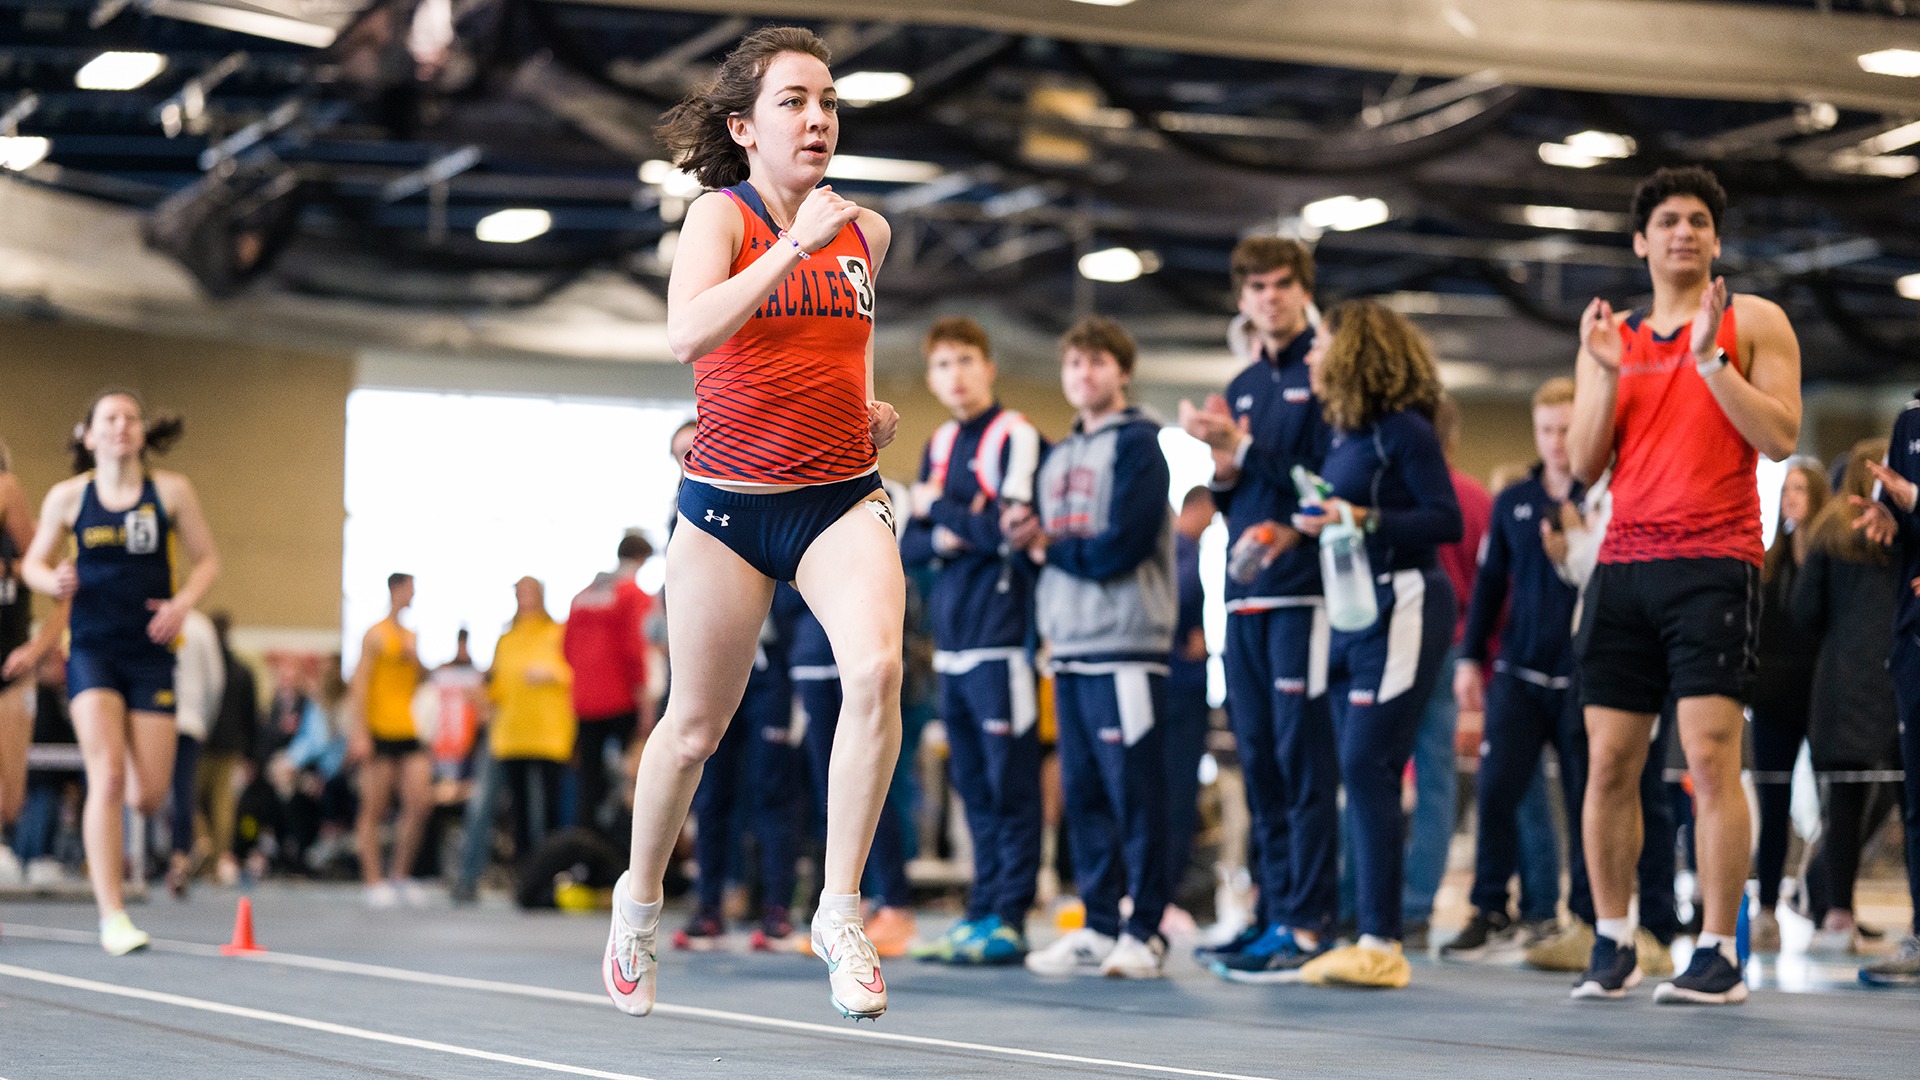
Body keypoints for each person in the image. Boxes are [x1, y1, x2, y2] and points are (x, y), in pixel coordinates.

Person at [604, 25, 903, 1022]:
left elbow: (836, 348)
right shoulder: (719, 219)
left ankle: (840, 911)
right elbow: (689, 333)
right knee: (693, 731)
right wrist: (791, 247)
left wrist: (868, 408)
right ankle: (638, 908)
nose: (817, 118)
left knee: (877, 672)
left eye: (828, 100)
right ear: (745, 125)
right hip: (730, 511)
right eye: (793, 102)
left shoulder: (871, 231)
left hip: (836, 496)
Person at [1567, 166, 1801, 1004]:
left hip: (1715, 563)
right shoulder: (1613, 334)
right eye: (1667, 220)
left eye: (1699, 220)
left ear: (1715, 238)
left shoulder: (1755, 321)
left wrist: (1710, 363)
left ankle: (1718, 952)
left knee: (1708, 759)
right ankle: (1613, 939)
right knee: (1607, 766)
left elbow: (1780, 438)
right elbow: (1586, 464)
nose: (1684, 232)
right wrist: (1599, 371)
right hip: (1625, 567)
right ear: (1641, 241)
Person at [1178, 236, 1340, 982]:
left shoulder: (1331, 376)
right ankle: (1273, 914)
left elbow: (1325, 486)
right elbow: (1239, 495)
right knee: (1261, 769)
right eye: (1257, 287)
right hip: (1240, 600)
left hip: (1305, 595)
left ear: (1303, 291)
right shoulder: (1242, 385)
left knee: (1303, 765)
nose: (1269, 297)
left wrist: (1241, 447)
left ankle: (1309, 923)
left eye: (1282, 285)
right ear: (1241, 299)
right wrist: (1222, 459)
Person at [1288, 299, 1462, 989]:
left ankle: (1382, 938)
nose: (1310, 353)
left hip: (1408, 602)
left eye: (1321, 341)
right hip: (1358, 609)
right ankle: (1365, 930)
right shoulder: (1346, 434)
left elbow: (1444, 519)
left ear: (1353, 350)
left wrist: (1362, 515)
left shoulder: (1405, 431)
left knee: (1369, 762)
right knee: (1359, 767)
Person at [20, 390, 220, 954]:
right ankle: (113, 914)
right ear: (89, 435)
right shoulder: (68, 498)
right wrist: (47, 581)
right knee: (104, 774)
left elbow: (208, 559)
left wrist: (183, 603)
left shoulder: (172, 492)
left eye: (130, 417)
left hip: (151, 652)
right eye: (109, 418)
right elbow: (32, 561)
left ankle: (126, 829)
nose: (121, 426)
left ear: (141, 432)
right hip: (91, 650)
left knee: (147, 796)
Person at [1007, 316, 1175, 980]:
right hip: (1068, 647)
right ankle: (1100, 925)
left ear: (1122, 372)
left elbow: (1122, 545)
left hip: (1127, 645)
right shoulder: (1058, 454)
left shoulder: (1140, 446)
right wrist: (1026, 538)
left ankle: (1148, 931)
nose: (1084, 374)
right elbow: (1047, 554)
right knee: (1083, 795)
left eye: (1097, 363)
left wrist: (1048, 544)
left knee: (1136, 793)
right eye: (1074, 363)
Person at [899, 315, 1044, 966]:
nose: (954, 375)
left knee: (1008, 782)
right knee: (973, 788)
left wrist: (939, 509)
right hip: (952, 643)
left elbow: (1007, 537)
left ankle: (1010, 916)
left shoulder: (1017, 436)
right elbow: (910, 542)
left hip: (1001, 640)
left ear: (988, 366)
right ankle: (981, 909)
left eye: (964, 361)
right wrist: (949, 523)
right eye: (942, 365)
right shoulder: (938, 445)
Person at [1446, 378, 1585, 959]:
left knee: (1585, 800)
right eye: (1547, 430)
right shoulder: (1513, 501)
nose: (1556, 442)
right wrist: (1471, 658)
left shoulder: (1602, 496)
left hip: (1582, 677)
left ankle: (1583, 917)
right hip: (1519, 674)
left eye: (1566, 430)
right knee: (1497, 792)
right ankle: (1489, 909)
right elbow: (1488, 586)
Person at [1792, 440, 1901, 954]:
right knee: (1905, 801)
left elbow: (1804, 611)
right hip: (1896, 680)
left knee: (1844, 805)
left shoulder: (1826, 536)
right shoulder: (1900, 531)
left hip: (1838, 686)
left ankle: (1835, 914)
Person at [1850, 391, 1920, 986]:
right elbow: (1897, 516)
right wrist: (1887, 522)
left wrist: (1915, 501)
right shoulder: (1908, 420)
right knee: (1917, 801)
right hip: (1913, 638)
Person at [1747, 458, 1828, 951]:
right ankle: (1768, 908)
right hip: (1774, 699)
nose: (1791, 497)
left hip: (1821, 699)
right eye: (1787, 489)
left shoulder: (1828, 559)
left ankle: (1828, 902)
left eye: (1801, 489)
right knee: (1773, 807)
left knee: (1835, 805)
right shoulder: (1767, 562)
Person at [476, 578, 575, 876]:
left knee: (549, 809)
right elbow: (498, 687)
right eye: (520, 593)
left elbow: (575, 673)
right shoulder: (506, 640)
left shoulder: (558, 633)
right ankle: (523, 874)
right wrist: (482, 698)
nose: (525, 598)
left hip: (548, 734)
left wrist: (552, 674)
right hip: (512, 735)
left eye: (530, 592)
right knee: (517, 810)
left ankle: (550, 872)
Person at [1, 438, 68, 883]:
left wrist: (38, 649)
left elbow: (66, 597)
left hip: (11, 667)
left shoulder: (28, 545)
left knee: (10, 800)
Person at [347, 572, 433, 907]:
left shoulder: (410, 636)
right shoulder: (375, 635)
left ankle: (399, 874)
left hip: (407, 728)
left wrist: (417, 660)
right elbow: (360, 683)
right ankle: (372, 880)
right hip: (379, 730)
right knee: (374, 806)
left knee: (419, 803)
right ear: (396, 590)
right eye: (409, 589)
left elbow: (420, 679)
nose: (412, 595)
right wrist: (360, 732)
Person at [565, 534, 656, 843]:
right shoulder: (634, 595)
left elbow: (566, 650)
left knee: (588, 784)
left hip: (585, 701)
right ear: (642, 559)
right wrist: (645, 699)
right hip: (621, 699)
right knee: (632, 781)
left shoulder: (581, 597)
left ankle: (583, 857)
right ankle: (623, 855)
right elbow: (636, 650)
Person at [1162, 486, 1214, 928]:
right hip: (1178, 687)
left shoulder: (1185, 549)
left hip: (1181, 684)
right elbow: (1176, 602)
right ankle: (1166, 891)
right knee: (1175, 794)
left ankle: (1167, 889)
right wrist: (1189, 635)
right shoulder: (1179, 548)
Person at [164, 606, 222, 896]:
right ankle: (179, 858)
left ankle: (174, 860)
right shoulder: (201, 626)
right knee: (182, 791)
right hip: (188, 719)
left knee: (177, 793)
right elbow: (215, 681)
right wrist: (205, 720)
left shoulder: (198, 625)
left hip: (170, 717)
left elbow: (215, 679)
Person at [197, 611, 258, 886]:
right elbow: (252, 717)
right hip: (231, 747)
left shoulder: (204, 669)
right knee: (224, 806)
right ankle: (219, 860)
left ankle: (204, 844)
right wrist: (251, 754)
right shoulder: (242, 670)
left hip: (204, 743)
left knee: (194, 801)